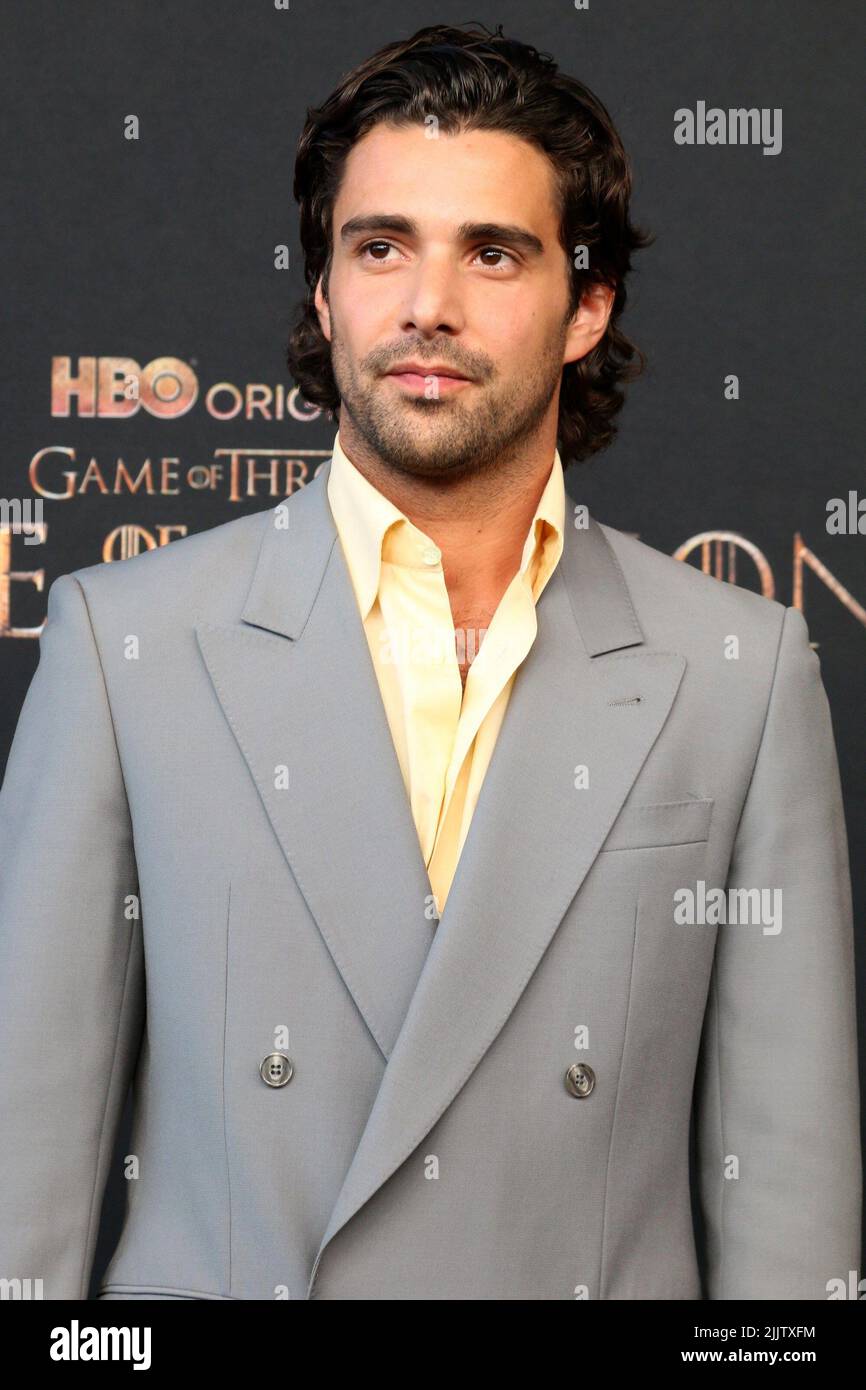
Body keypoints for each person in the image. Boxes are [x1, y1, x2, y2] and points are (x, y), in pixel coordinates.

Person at [0, 22, 859, 1301]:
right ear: (323, 290)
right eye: (379, 245)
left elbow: (784, 1200)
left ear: (587, 307)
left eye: (493, 254)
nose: (425, 306)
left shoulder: (736, 669)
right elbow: (29, 1169)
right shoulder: (129, 647)